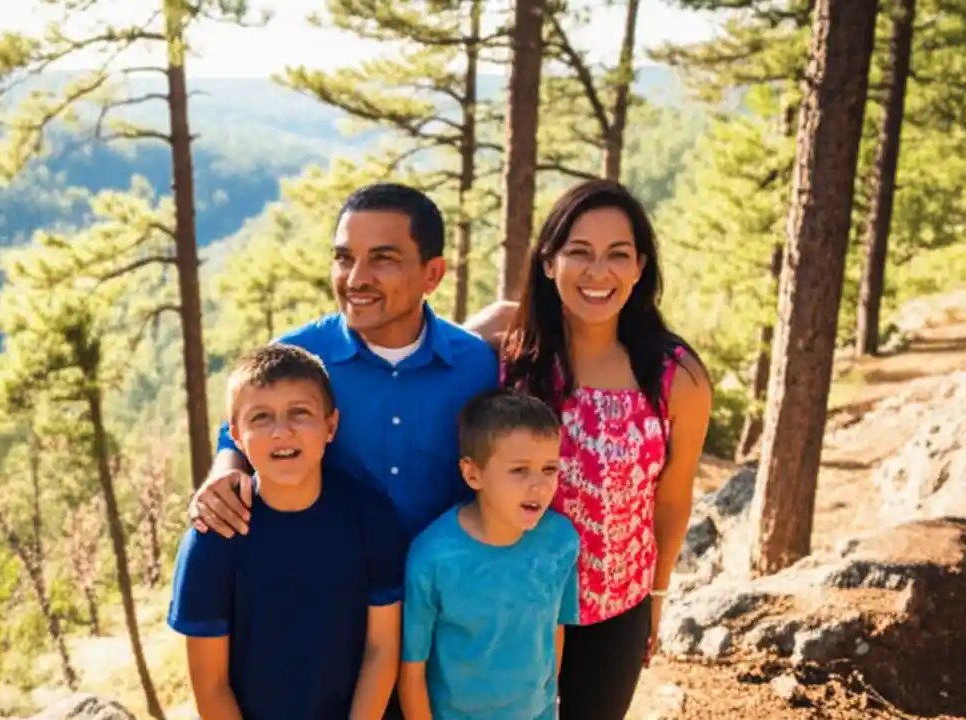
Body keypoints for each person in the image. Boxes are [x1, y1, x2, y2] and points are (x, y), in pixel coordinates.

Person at [472, 179, 713, 719]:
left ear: (640, 267)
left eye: (617, 255)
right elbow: (415, 364)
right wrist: (235, 444)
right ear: (549, 262)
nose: (597, 272)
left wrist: (656, 598)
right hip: (510, 605)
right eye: (579, 252)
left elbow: (672, 498)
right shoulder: (506, 355)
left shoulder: (676, 376)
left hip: (615, 610)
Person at [188, 182, 499, 540]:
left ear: (432, 274)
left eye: (383, 259)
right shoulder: (296, 355)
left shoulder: (476, 365)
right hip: (330, 583)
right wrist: (225, 468)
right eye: (344, 258)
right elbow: (240, 428)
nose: (356, 279)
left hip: (442, 588)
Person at [167, 343, 407, 719]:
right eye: (261, 418)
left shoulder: (370, 515)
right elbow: (210, 685)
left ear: (331, 426)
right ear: (236, 434)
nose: (282, 431)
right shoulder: (215, 536)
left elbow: (381, 648)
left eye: (300, 413)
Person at [398, 388, 579, 720]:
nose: (538, 486)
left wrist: (550, 706)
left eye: (549, 469)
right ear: (472, 474)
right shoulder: (432, 558)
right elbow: (412, 671)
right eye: (519, 470)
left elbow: (554, 630)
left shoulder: (561, 541)